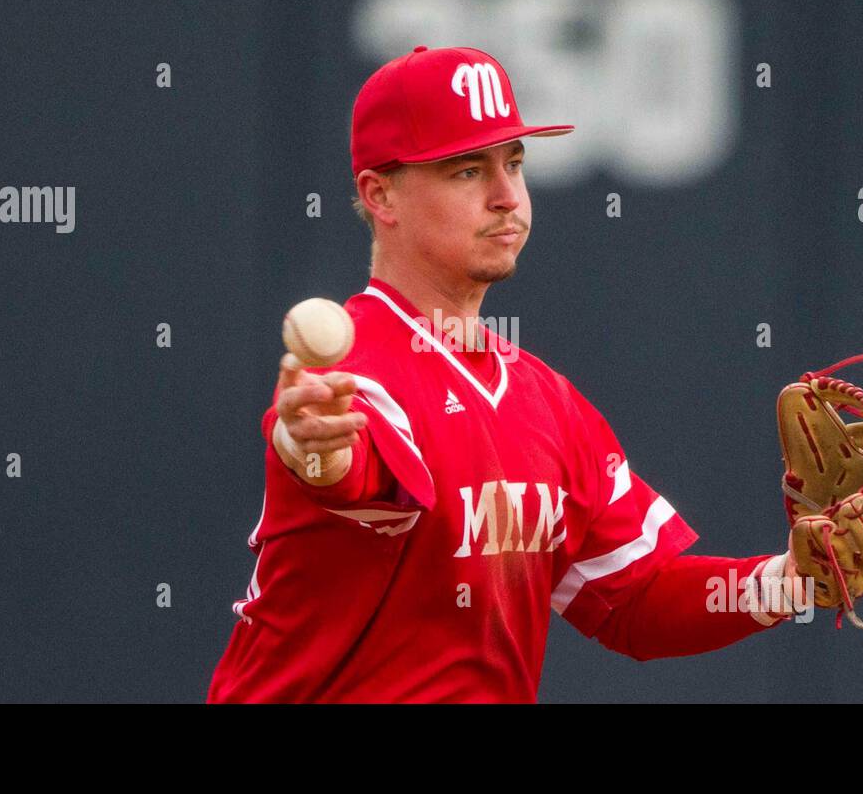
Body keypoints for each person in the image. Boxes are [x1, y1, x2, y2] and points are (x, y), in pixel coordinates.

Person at [208, 46, 805, 704]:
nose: (506, 196)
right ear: (381, 194)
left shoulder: (543, 399)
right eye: (467, 170)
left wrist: (790, 579)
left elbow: (632, 598)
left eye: (514, 163)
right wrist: (315, 456)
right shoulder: (355, 373)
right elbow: (351, 469)